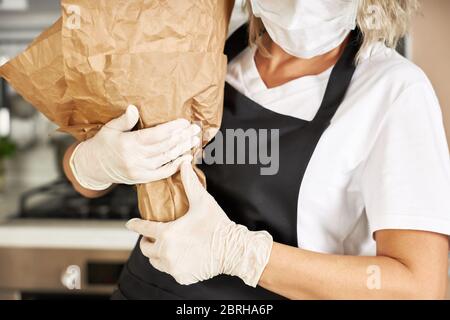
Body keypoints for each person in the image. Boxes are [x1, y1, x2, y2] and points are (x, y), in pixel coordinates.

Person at [64, 0, 450, 299]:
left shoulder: (393, 91)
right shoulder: (198, 48)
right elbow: (82, 180)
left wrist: (240, 253)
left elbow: (420, 287)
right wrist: (95, 164)